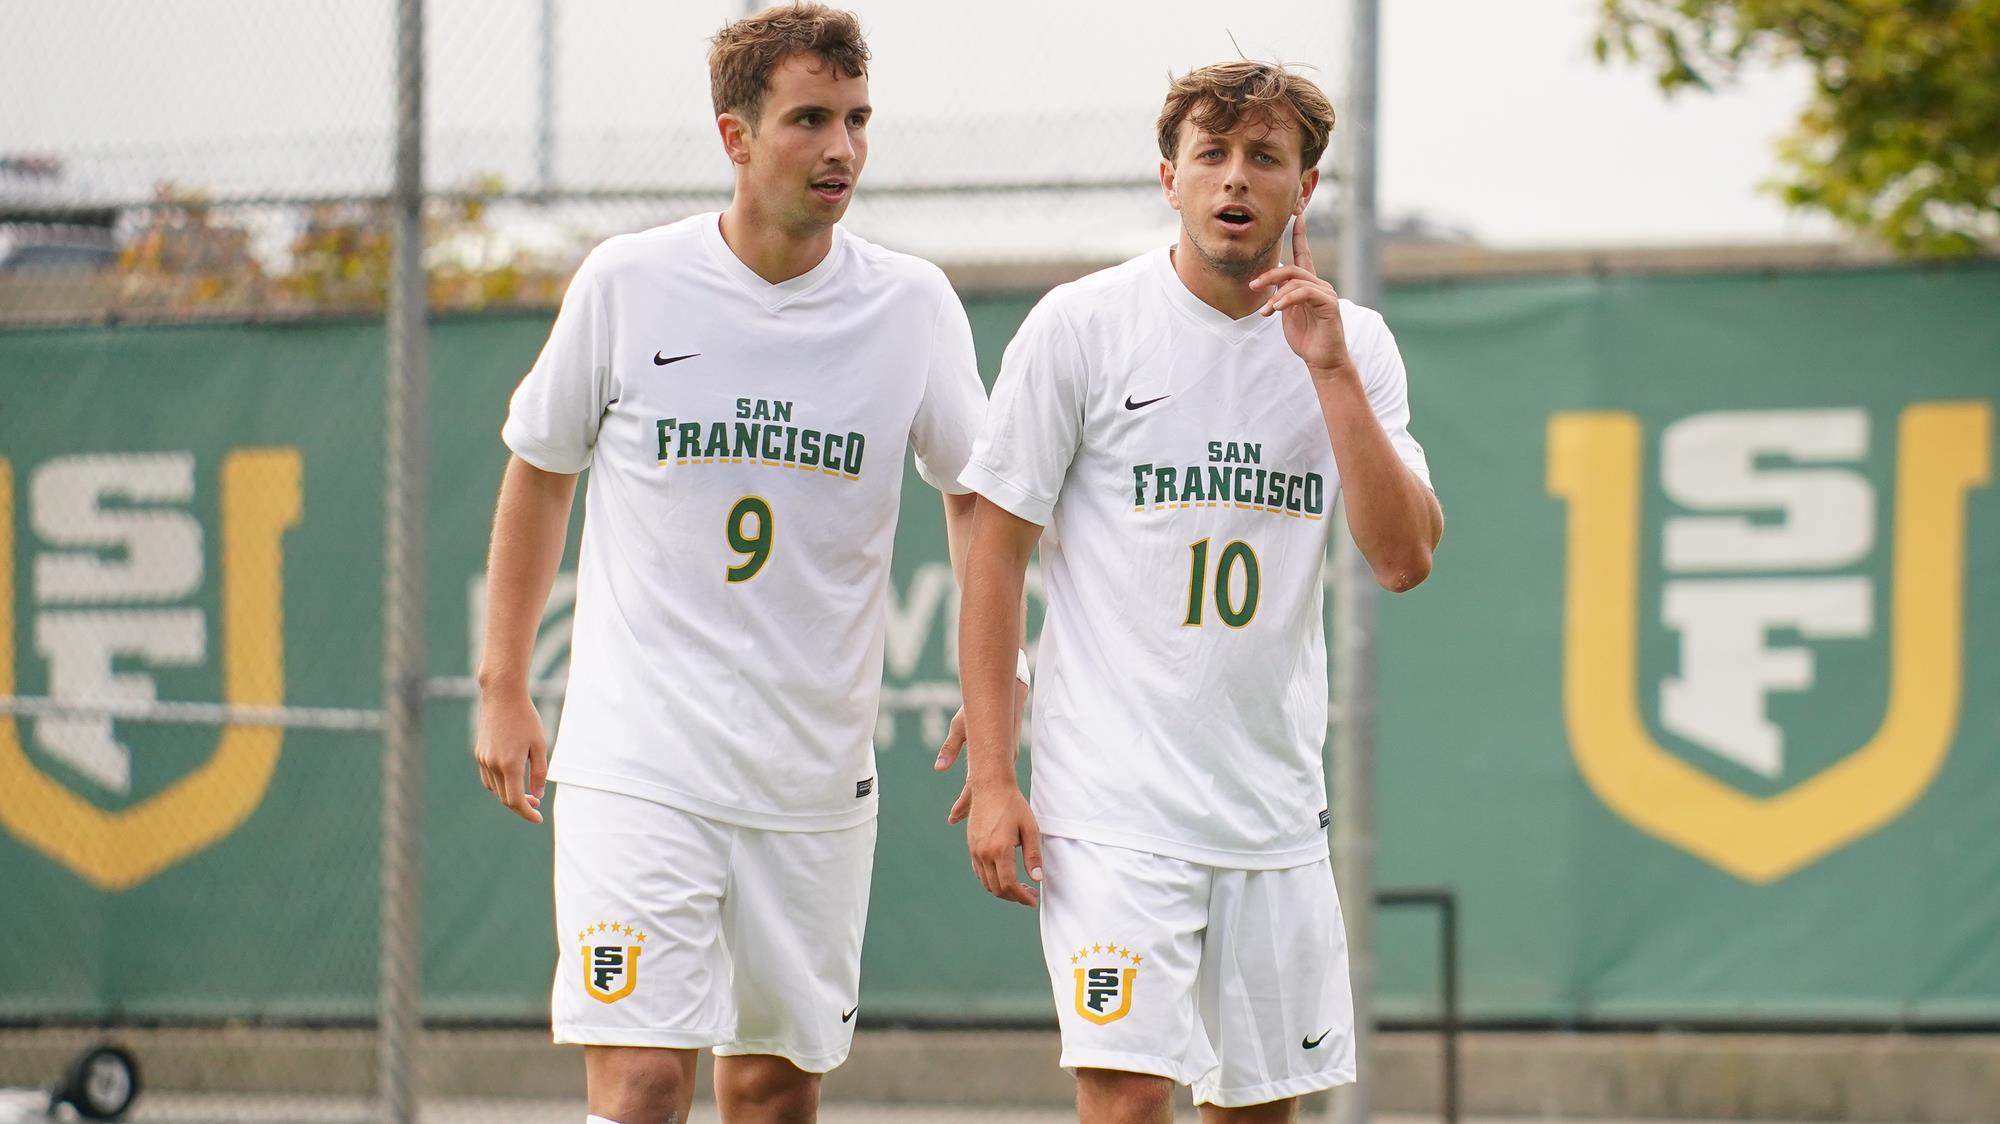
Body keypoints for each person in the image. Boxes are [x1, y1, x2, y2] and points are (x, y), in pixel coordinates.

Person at [472, 6, 992, 1122]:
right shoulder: (627, 281)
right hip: (638, 762)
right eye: (808, 120)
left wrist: (989, 677)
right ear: (734, 136)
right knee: (643, 1078)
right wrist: (503, 685)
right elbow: (538, 470)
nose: (841, 147)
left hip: (809, 778)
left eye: (856, 119)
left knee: (766, 1091)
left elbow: (976, 498)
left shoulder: (911, 305)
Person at [948, 60, 1444, 1123]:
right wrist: (995, 776)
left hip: (1268, 814)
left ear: (1302, 189)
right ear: (1167, 176)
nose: (1234, 178)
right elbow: (995, 555)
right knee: (1125, 1098)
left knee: (1255, 1111)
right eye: (1210, 155)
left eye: (1263, 157)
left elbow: (1401, 557)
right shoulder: (1080, 325)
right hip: (1110, 807)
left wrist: (1328, 368)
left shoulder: (1351, 344)